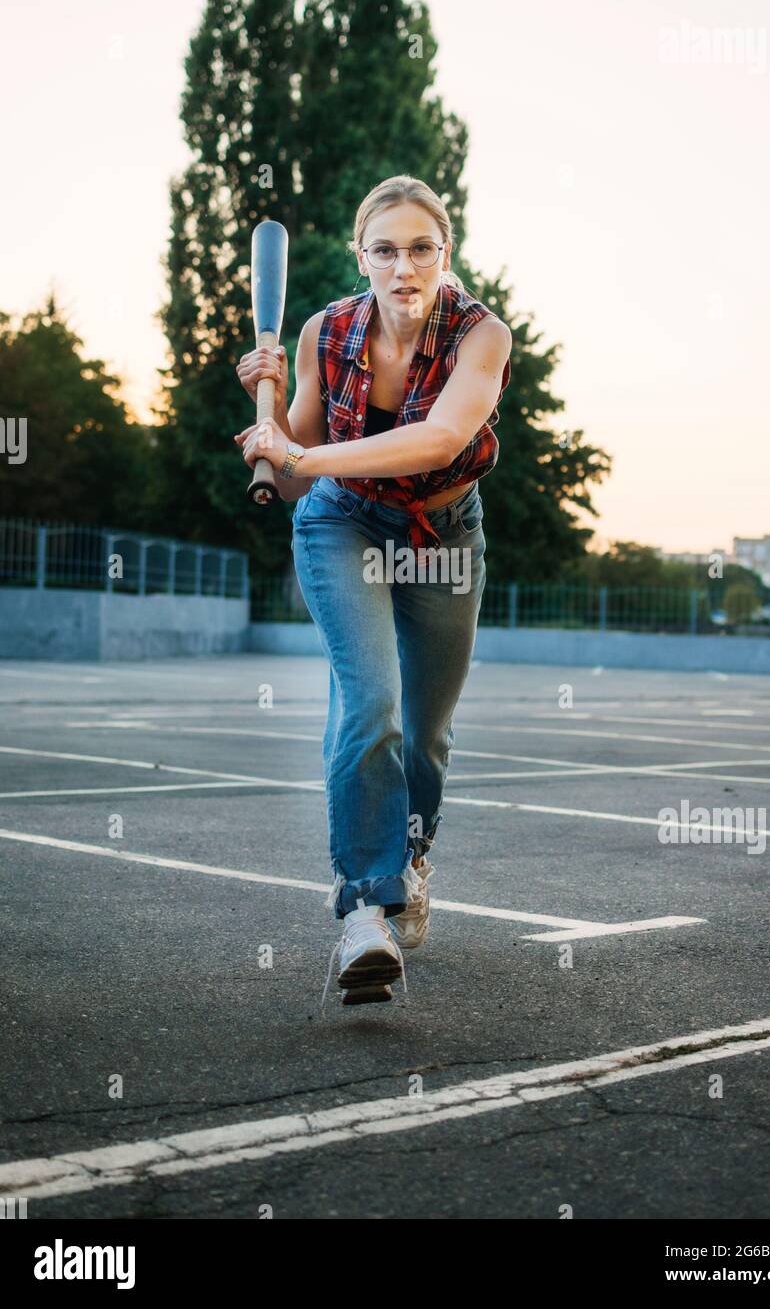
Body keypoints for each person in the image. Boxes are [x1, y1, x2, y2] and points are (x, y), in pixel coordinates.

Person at [234, 175, 512, 1007]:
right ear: (362, 257)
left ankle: (411, 857)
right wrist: (272, 408)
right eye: (384, 250)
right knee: (371, 704)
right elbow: (286, 482)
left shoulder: (481, 335)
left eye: (420, 248)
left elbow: (440, 438)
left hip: (440, 536)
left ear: (446, 256)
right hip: (342, 526)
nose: (403, 267)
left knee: (426, 735)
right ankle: (363, 910)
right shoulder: (326, 330)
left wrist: (301, 457)